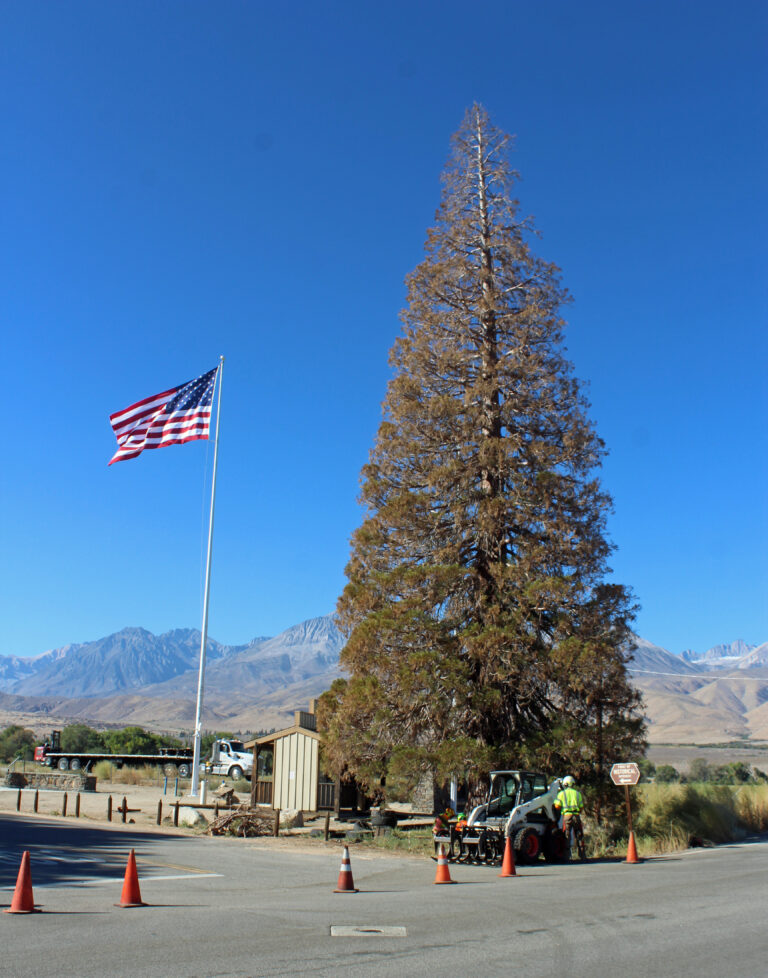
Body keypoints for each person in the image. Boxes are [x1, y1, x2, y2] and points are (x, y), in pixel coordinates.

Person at [554, 775, 585, 850]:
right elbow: (581, 808)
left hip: (567, 816)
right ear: (573, 784)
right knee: (579, 835)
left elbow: (557, 806)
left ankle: (567, 854)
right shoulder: (578, 794)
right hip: (576, 816)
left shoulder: (561, 794)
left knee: (567, 836)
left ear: (565, 784)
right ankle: (582, 853)